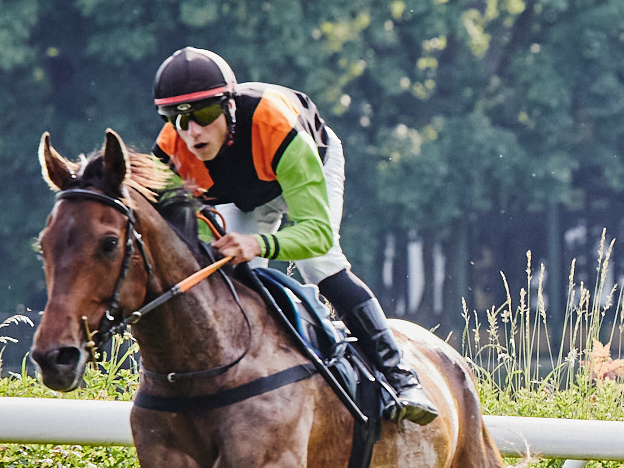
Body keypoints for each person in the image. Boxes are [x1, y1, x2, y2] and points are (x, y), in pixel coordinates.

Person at [149, 46, 438, 424]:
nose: (192, 132)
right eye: (176, 119)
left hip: (303, 166)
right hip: (243, 194)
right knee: (234, 275)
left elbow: (315, 234)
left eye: (203, 115)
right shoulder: (170, 151)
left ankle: (400, 377)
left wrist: (258, 242)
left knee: (319, 262)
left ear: (230, 107)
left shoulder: (274, 125)